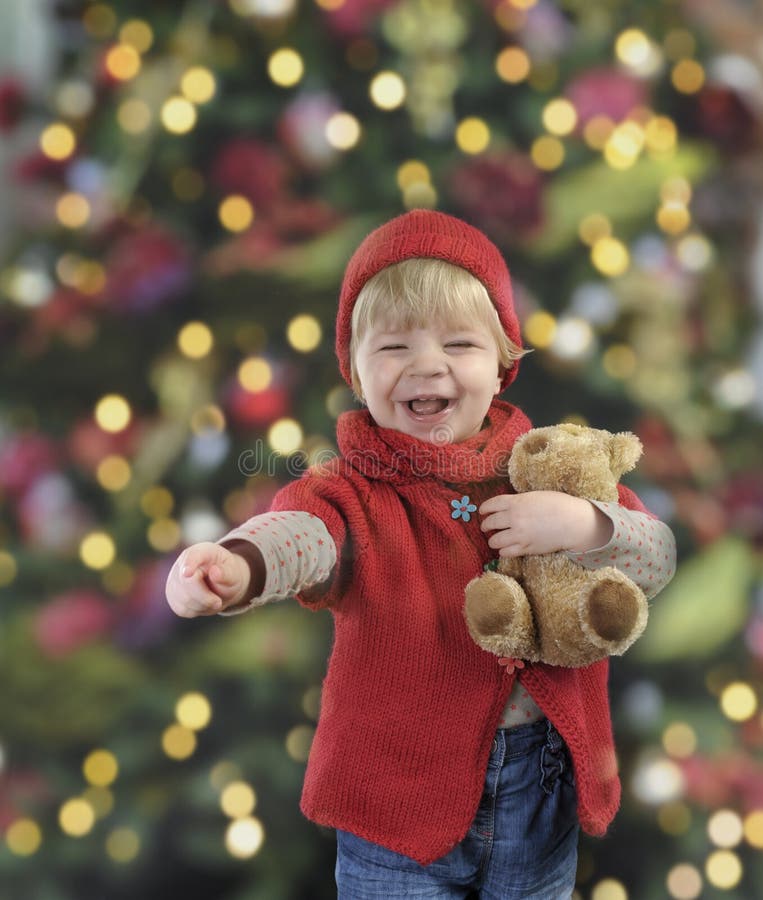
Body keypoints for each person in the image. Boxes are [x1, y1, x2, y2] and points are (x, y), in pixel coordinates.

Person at [165, 210, 676, 899]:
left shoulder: (551, 467)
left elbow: (655, 559)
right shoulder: (352, 490)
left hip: (539, 791)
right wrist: (238, 563)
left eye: (459, 343)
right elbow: (303, 535)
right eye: (394, 346)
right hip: (393, 801)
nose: (428, 364)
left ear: (502, 364)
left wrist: (583, 524)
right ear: (356, 371)